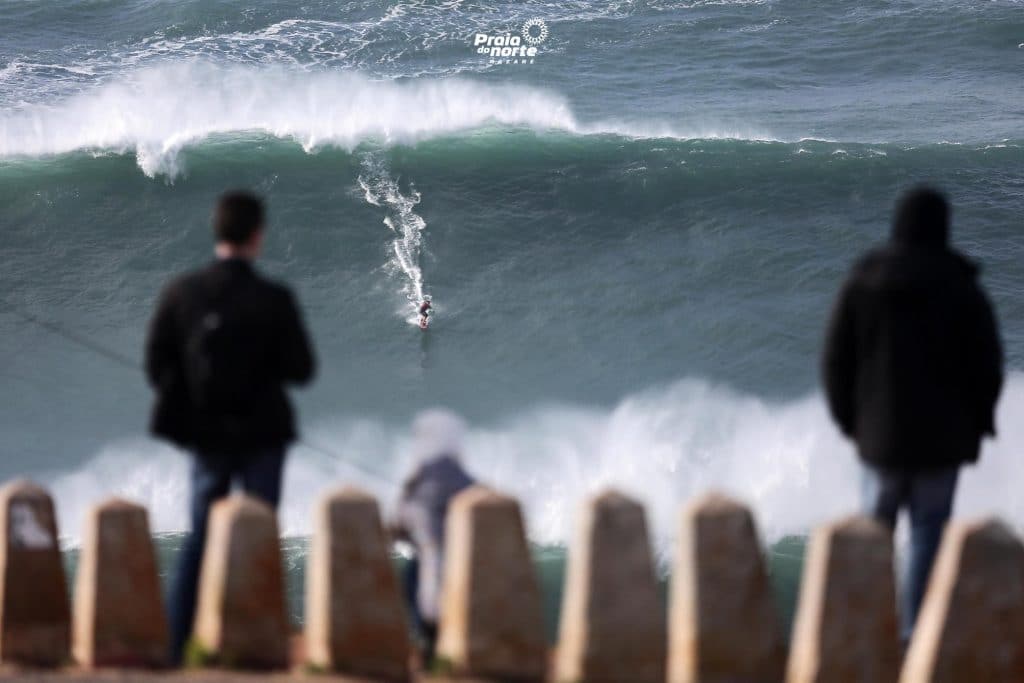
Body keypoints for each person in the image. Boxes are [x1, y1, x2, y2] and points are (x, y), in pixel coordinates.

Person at [822, 186, 1003, 641]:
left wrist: (851, 423)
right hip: (943, 444)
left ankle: (865, 635)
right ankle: (913, 637)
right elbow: (988, 366)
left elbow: (834, 361)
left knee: (874, 534)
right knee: (927, 535)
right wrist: (980, 423)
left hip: (879, 440)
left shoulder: (864, 281)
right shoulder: (962, 287)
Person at [145, 191, 316, 664]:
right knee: (259, 535)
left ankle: (177, 652)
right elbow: (302, 370)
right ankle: (258, 652)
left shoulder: (183, 292)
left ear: (217, 233)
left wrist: (192, 399)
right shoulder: (274, 298)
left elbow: (157, 363)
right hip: (263, 438)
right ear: (257, 236)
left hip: (208, 436)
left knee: (201, 538)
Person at [391, 409, 476, 665]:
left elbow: (400, 523)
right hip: (454, 562)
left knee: (415, 576)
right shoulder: (462, 477)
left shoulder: (417, 478)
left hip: (427, 562)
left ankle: (425, 641)